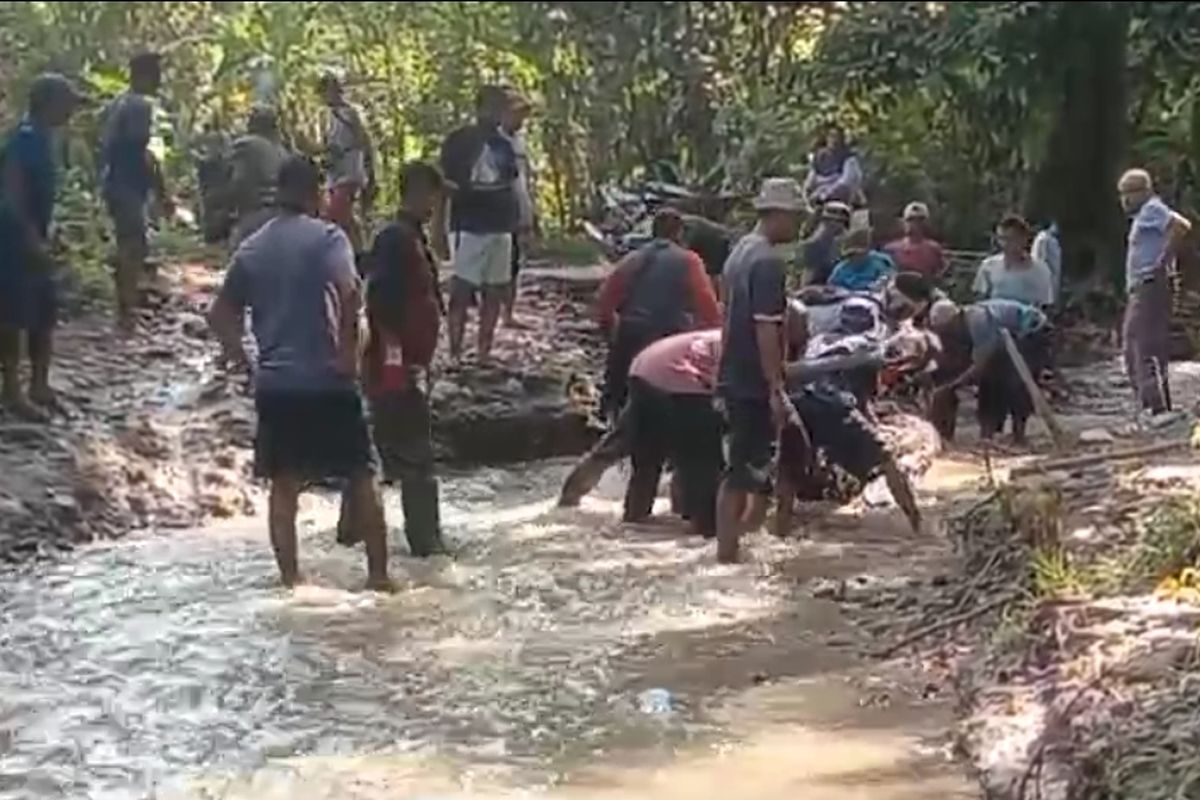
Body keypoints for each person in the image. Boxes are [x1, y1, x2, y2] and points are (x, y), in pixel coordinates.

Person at [207, 156, 392, 591]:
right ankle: (379, 577)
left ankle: (291, 580)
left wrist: (243, 361)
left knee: (284, 483)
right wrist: (347, 352)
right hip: (329, 378)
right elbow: (351, 294)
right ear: (316, 192)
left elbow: (219, 314)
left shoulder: (253, 247)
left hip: (277, 383)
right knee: (360, 473)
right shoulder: (328, 238)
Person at [353, 162, 448, 557]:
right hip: (394, 366)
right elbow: (380, 302)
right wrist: (398, 362)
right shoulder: (396, 239)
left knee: (380, 451)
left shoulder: (411, 237)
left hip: (403, 363)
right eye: (433, 197)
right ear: (418, 191)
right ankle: (426, 545)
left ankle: (352, 534)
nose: (435, 206)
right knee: (414, 456)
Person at [716, 177, 805, 564]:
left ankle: (737, 550)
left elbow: (725, 313)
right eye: (796, 217)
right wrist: (775, 388)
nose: (799, 226)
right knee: (743, 471)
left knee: (747, 468)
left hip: (733, 371)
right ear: (779, 214)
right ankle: (727, 556)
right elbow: (766, 327)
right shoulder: (767, 261)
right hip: (752, 379)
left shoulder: (739, 253)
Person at [0, 74, 84, 421]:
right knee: (13, 316)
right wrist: (30, 238)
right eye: (67, 103)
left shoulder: (46, 140)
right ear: (49, 103)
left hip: (36, 236)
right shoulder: (23, 139)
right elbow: (11, 195)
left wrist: (50, 234)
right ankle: (12, 392)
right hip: (13, 241)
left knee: (44, 311)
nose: (71, 111)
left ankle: (40, 385)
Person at [594, 207, 720, 419]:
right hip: (668, 340)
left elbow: (605, 301)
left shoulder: (633, 259)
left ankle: (609, 417)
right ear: (680, 233)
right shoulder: (689, 261)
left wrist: (612, 333)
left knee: (615, 396)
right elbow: (708, 310)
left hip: (630, 335)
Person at [440, 85, 519, 364]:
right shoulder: (459, 140)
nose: (498, 113)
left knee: (494, 290)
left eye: (502, 107)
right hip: (469, 225)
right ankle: (455, 352)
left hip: (500, 224)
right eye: (494, 106)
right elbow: (445, 184)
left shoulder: (505, 145)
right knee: (462, 290)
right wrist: (439, 225)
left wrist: (517, 222)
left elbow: (510, 183)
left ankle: (484, 352)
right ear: (480, 108)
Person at [622, 329, 725, 538]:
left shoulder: (721, 335)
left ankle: (634, 519)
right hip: (675, 376)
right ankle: (705, 527)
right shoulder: (742, 340)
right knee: (702, 456)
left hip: (641, 369)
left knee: (648, 456)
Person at [100, 51, 172, 333]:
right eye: (157, 74)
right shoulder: (139, 106)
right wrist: (161, 189)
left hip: (115, 181)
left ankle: (125, 308)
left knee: (128, 244)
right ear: (145, 75)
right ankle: (125, 313)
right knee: (133, 247)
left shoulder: (119, 103)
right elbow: (140, 152)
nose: (160, 80)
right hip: (127, 184)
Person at [927, 298, 1049, 445]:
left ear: (955, 319)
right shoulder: (965, 324)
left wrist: (954, 385)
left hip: (1032, 332)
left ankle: (1016, 435)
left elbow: (982, 362)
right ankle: (990, 433)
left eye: (948, 328)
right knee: (992, 381)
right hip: (1007, 340)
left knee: (1013, 382)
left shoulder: (978, 321)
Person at [1118, 169, 1191, 415]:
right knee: (1142, 344)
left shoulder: (1152, 209)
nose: (1125, 200)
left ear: (1144, 191)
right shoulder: (1146, 213)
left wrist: (1163, 261)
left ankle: (1153, 407)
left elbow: (1181, 226)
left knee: (1139, 344)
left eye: (1129, 193)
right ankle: (1154, 404)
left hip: (1149, 284)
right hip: (1144, 285)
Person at [319, 71, 376, 252]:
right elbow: (328, 145)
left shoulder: (349, 113)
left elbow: (362, 141)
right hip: (335, 173)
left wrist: (370, 171)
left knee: (339, 211)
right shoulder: (328, 117)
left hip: (350, 170)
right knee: (337, 214)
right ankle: (354, 249)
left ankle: (358, 250)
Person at [228, 105, 290, 247]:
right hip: (284, 216)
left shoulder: (246, 144)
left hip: (256, 214)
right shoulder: (283, 150)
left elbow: (239, 181)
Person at [500, 90, 536, 329]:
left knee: (513, 262)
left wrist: (528, 210)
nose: (521, 120)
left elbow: (523, 177)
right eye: (517, 114)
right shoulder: (493, 140)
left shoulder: (519, 141)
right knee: (496, 264)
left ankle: (508, 313)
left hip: (517, 204)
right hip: (496, 209)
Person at [973, 214, 1054, 308]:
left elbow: (1045, 304)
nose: (1005, 244)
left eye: (1010, 239)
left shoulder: (1040, 270)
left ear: (1024, 239)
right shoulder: (988, 267)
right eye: (1001, 239)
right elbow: (979, 303)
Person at [802, 124, 863, 207]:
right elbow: (811, 180)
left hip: (843, 201)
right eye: (831, 136)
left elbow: (846, 182)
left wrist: (825, 195)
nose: (834, 140)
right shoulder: (820, 157)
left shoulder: (849, 159)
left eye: (837, 137)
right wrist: (807, 195)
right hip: (819, 200)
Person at [884, 202, 946, 278]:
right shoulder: (891, 249)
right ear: (903, 222)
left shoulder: (934, 249)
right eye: (910, 220)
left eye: (919, 220)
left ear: (925, 222)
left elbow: (941, 273)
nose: (914, 224)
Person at [828, 228, 896, 292]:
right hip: (845, 297)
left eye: (859, 254)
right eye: (851, 254)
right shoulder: (842, 268)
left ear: (867, 251)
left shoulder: (880, 262)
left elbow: (889, 281)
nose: (855, 257)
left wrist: (874, 286)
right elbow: (831, 286)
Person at [802, 200, 851, 285]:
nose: (835, 224)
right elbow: (808, 275)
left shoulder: (850, 242)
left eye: (840, 221)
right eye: (830, 221)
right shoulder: (814, 244)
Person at [1031, 221, 1063, 307]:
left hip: (1051, 274)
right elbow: (1042, 257)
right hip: (1046, 275)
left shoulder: (1050, 239)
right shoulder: (1044, 238)